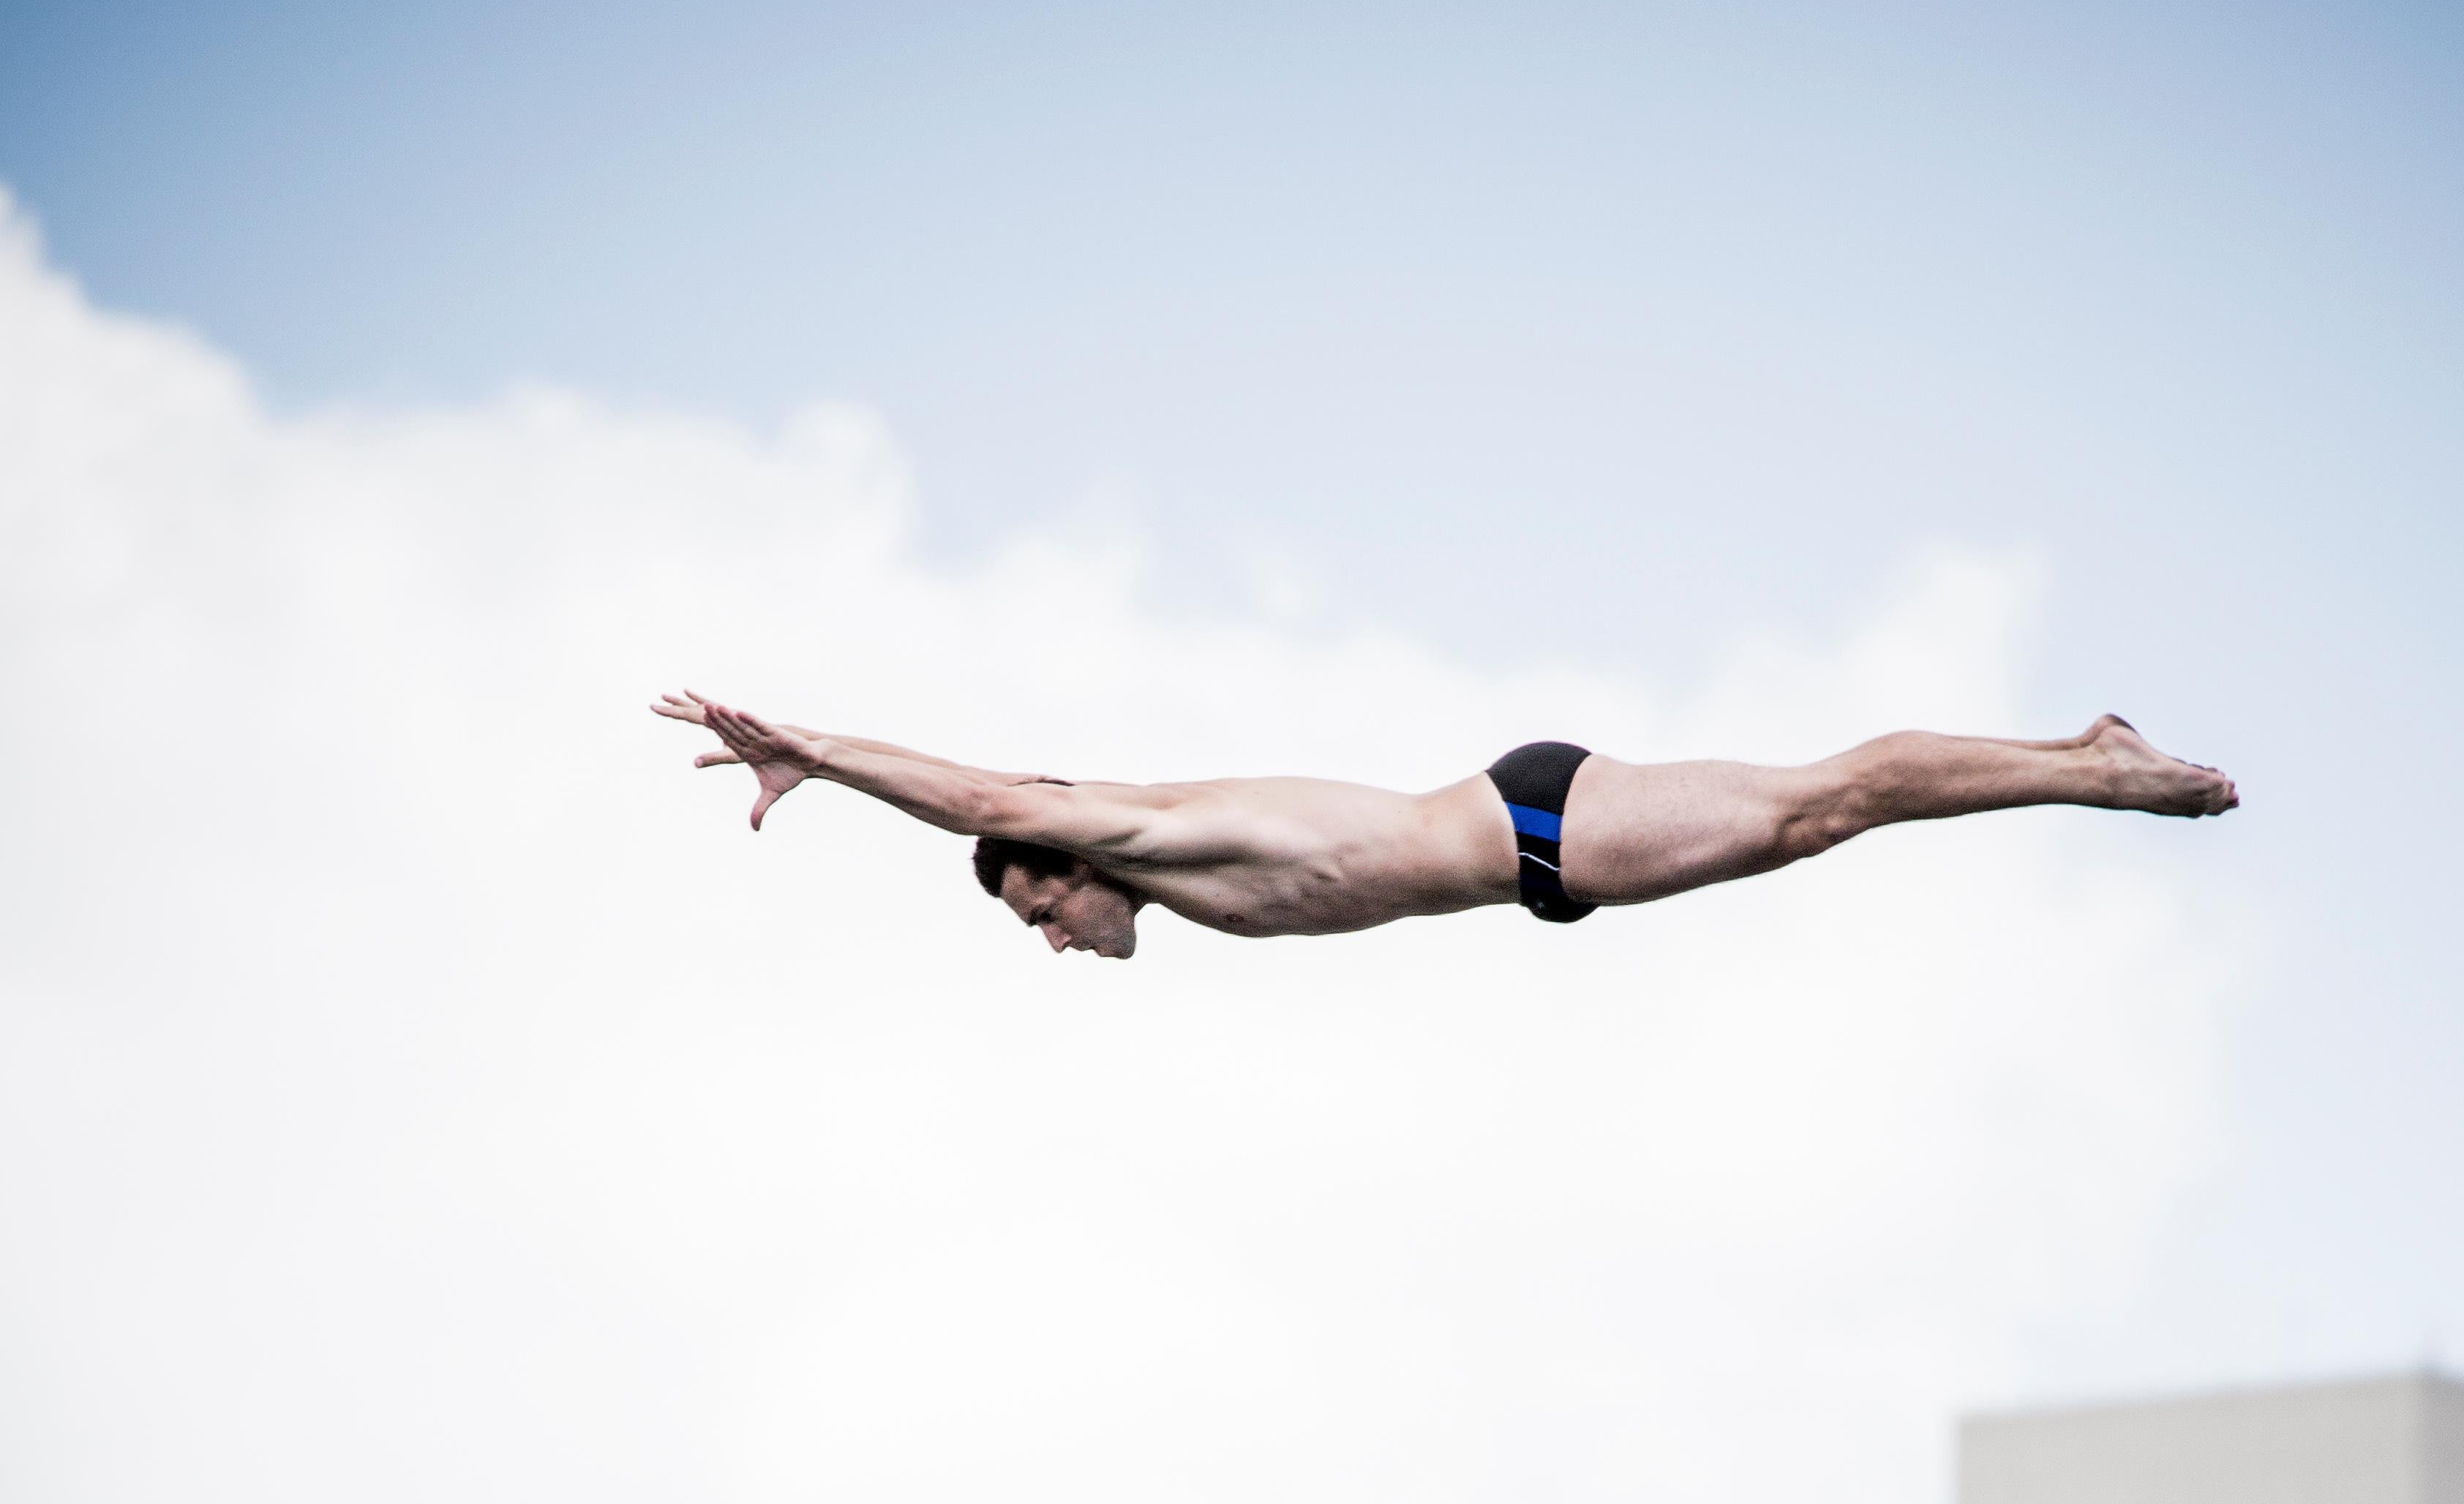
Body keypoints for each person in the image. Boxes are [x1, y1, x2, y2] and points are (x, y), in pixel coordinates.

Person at [653, 691, 2235, 960]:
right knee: (1826, 813)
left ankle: (2096, 767)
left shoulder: (1121, 834)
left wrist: (827, 754)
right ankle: (2078, 756)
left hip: (1539, 827)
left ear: (1067, 863)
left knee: (1828, 803)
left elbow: (994, 799)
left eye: (1039, 915)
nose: (1056, 938)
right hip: (1539, 861)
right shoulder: (1174, 883)